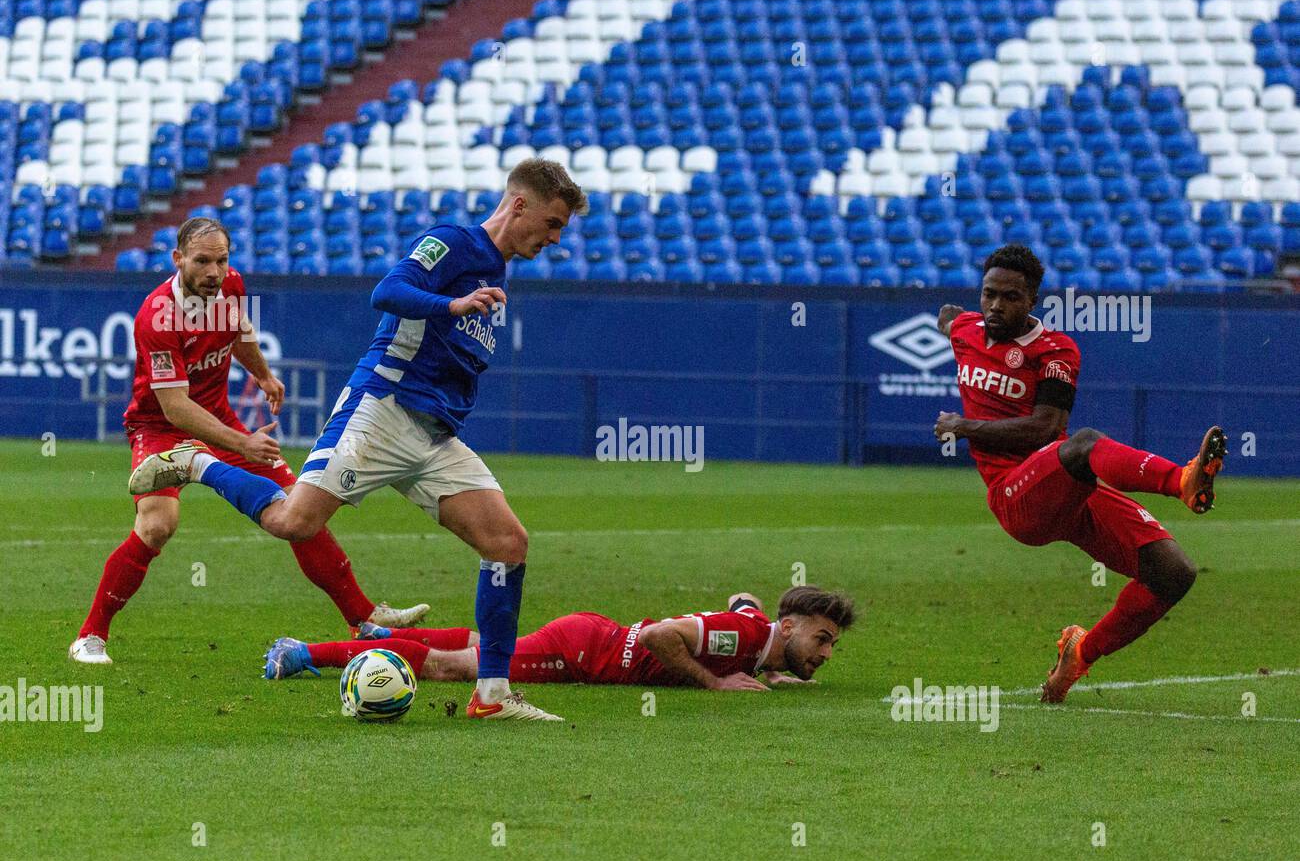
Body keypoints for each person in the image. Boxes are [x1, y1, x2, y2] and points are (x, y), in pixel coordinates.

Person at [128, 160, 589, 720]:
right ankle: (195, 464)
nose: (556, 237)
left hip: (435, 435)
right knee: (294, 523)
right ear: (519, 205)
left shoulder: (496, 270)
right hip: (383, 411)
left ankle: (492, 697)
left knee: (508, 545)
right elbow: (387, 290)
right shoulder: (453, 244)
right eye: (553, 221)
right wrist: (452, 305)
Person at [69, 217, 426, 665]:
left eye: (221, 260)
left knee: (300, 506)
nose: (214, 272)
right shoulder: (154, 316)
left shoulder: (232, 285)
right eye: (202, 261)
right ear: (178, 259)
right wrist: (241, 445)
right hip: (159, 426)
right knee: (158, 525)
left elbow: (238, 333)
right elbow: (175, 406)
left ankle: (363, 618)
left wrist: (262, 374)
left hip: (218, 418)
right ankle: (90, 636)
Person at [932, 244, 1225, 703]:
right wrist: (949, 317)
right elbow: (950, 317)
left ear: (1032, 301)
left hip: (1065, 485)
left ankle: (1080, 654)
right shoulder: (967, 328)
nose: (995, 305)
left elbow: (1046, 426)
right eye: (988, 294)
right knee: (1083, 447)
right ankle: (1178, 481)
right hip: (1016, 498)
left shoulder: (1055, 350)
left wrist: (962, 425)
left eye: (1010, 297)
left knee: (1173, 574)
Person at [262, 587, 857, 697]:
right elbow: (656, 636)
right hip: (584, 653)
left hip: (588, 633)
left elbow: (741, 598)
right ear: (787, 626)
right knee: (453, 667)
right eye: (822, 639)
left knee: (482, 640)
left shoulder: (756, 634)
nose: (825, 653)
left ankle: (382, 636)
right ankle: (301, 654)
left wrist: (775, 666)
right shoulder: (745, 639)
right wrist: (712, 679)